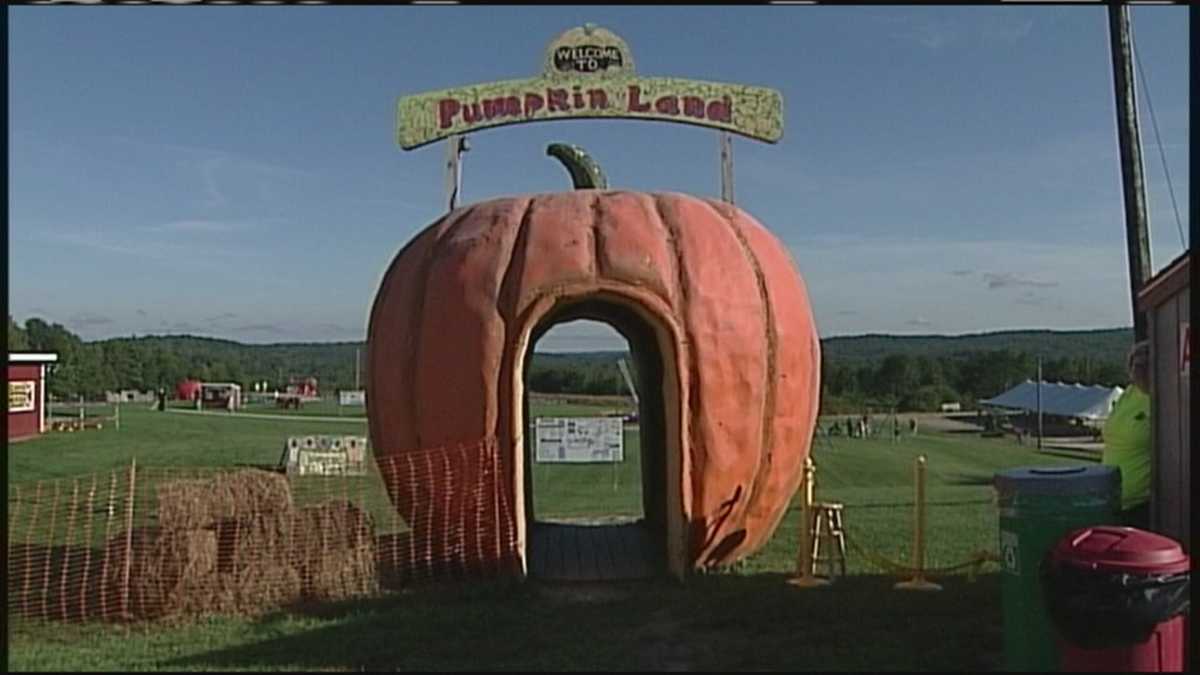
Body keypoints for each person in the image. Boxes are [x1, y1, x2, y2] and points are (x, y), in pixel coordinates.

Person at [1101, 341, 1152, 530]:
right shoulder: (1127, 394)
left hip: (1141, 506)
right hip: (1110, 500)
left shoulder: (1163, 397)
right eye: (1135, 363)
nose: (1139, 368)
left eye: (1146, 363)